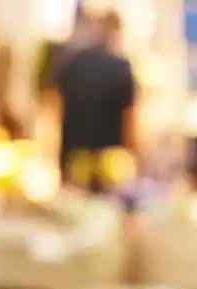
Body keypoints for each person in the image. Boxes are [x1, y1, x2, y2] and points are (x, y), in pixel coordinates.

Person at [54, 10, 137, 189]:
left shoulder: (72, 64)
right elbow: (130, 117)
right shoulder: (121, 68)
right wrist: (133, 153)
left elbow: (56, 109)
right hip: (110, 157)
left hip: (75, 154)